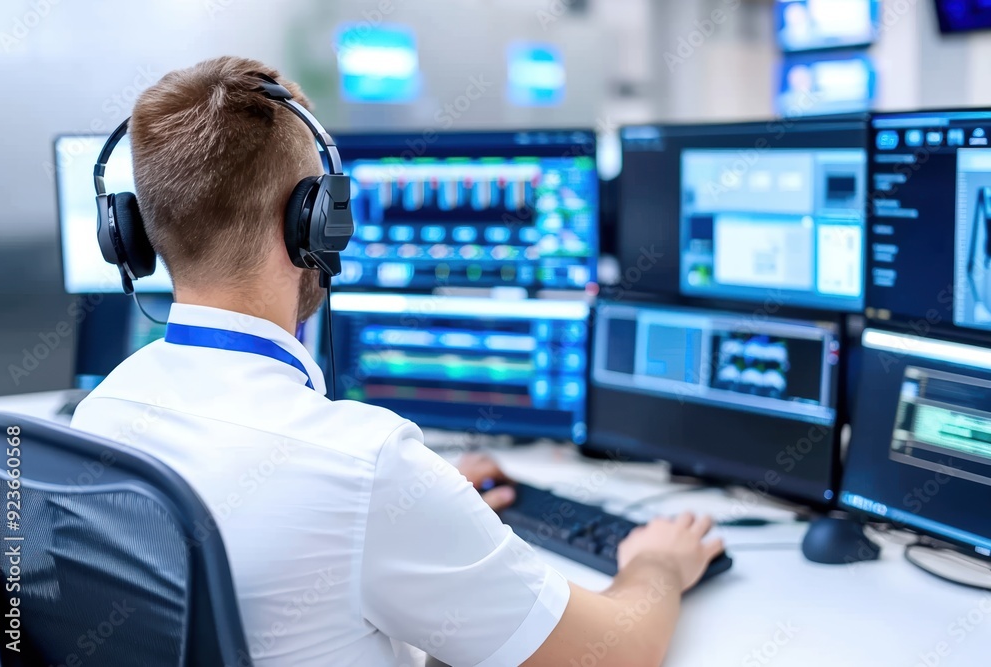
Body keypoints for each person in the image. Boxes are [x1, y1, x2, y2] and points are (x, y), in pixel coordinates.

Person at [71, 56, 724, 667]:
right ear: (314, 224)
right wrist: (657, 564)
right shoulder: (361, 463)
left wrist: (427, 502)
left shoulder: (102, 414)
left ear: (134, 233)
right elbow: (612, 653)